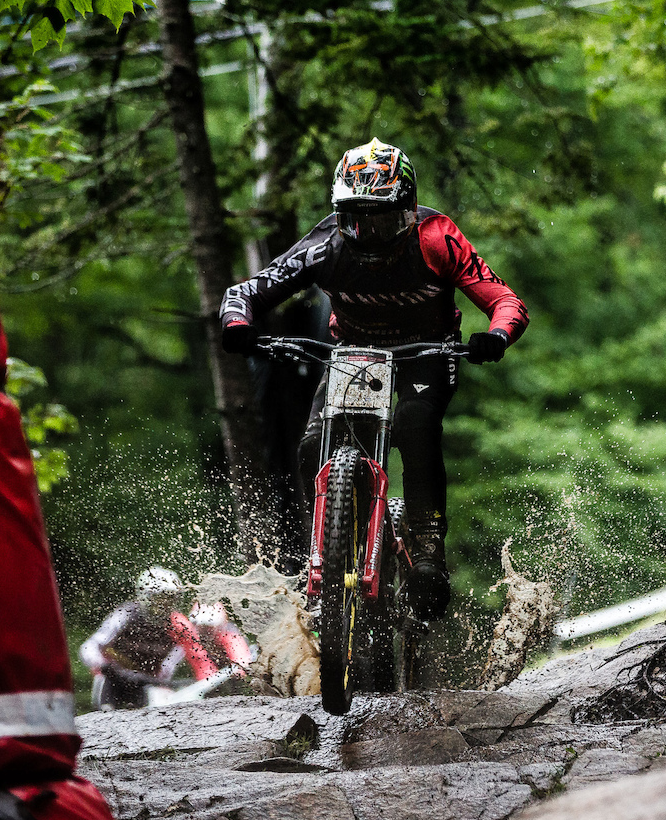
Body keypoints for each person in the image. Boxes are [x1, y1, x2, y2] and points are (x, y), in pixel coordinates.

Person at [220, 139, 529, 618]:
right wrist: (237, 323)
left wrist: (497, 335)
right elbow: (248, 291)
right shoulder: (326, 245)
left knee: (414, 422)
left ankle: (427, 548)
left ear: (406, 209)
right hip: (353, 354)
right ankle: (327, 550)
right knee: (310, 448)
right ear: (341, 214)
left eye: (383, 217)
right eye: (357, 217)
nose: (369, 231)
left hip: (425, 352)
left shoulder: (436, 238)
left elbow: (505, 300)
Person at [81, 567, 248, 710]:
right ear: (144, 596)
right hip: (113, 678)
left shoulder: (179, 624)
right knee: (107, 699)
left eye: (170, 599)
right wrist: (103, 665)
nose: (164, 605)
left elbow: (198, 658)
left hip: (151, 683)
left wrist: (209, 684)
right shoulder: (125, 615)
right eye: (159, 599)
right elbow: (90, 647)